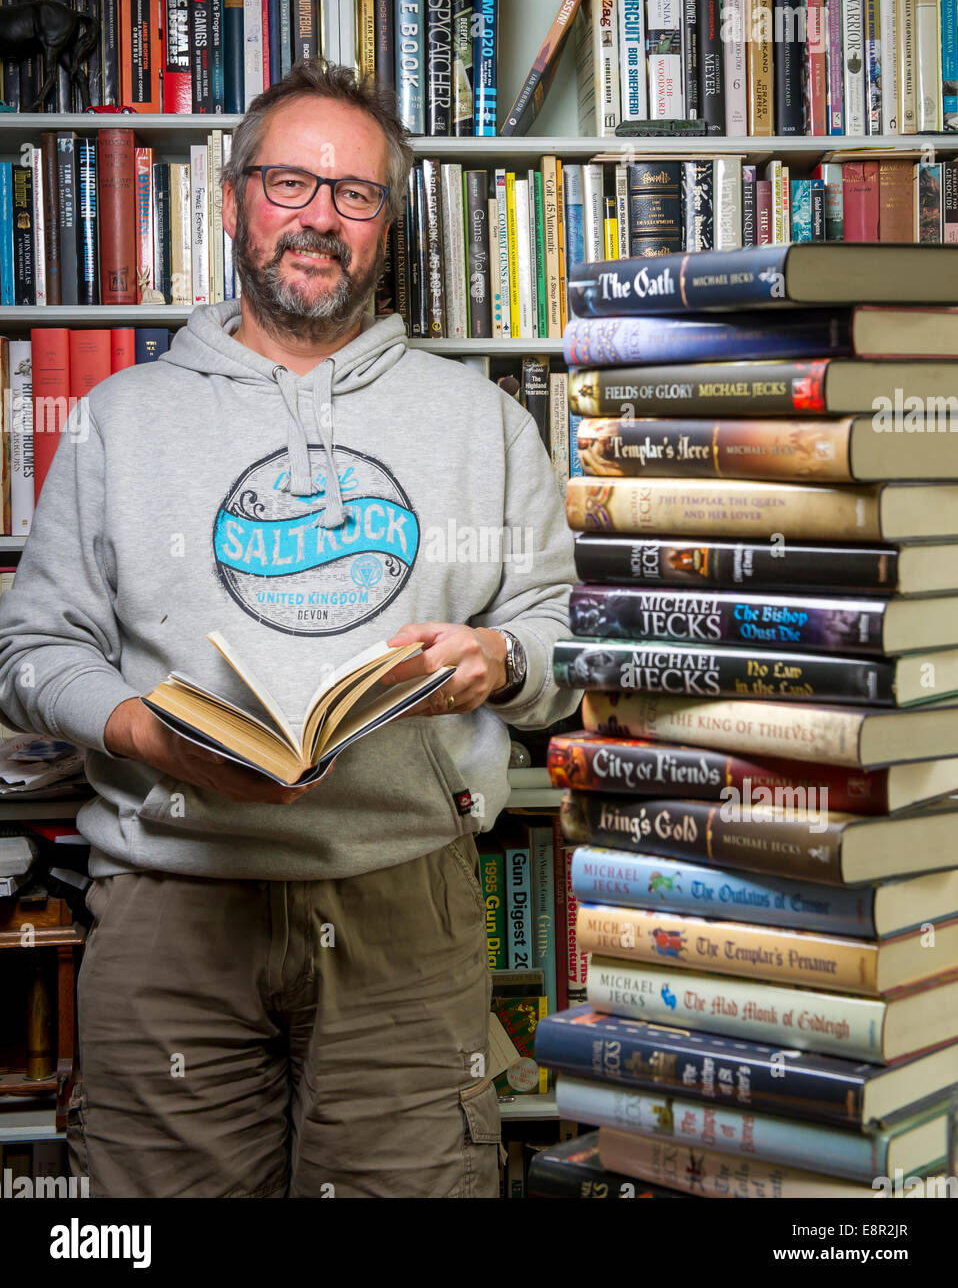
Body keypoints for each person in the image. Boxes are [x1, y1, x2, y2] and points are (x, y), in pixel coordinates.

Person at [0, 60, 580, 1198]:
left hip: (405, 900)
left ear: (384, 225)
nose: (319, 214)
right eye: (288, 182)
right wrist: (142, 731)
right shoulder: (124, 417)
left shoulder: (485, 422)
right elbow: (32, 655)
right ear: (231, 202)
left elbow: (562, 639)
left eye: (355, 194)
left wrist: (502, 659)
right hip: (173, 903)